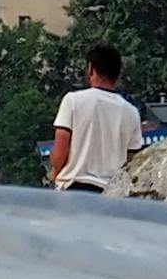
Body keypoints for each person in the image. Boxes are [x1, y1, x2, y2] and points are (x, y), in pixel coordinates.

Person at [46, 39, 140, 194]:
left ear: (91, 69)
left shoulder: (73, 101)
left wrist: (56, 174)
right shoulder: (131, 112)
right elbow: (133, 161)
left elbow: (61, 148)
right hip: (112, 194)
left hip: (73, 189)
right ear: (117, 74)